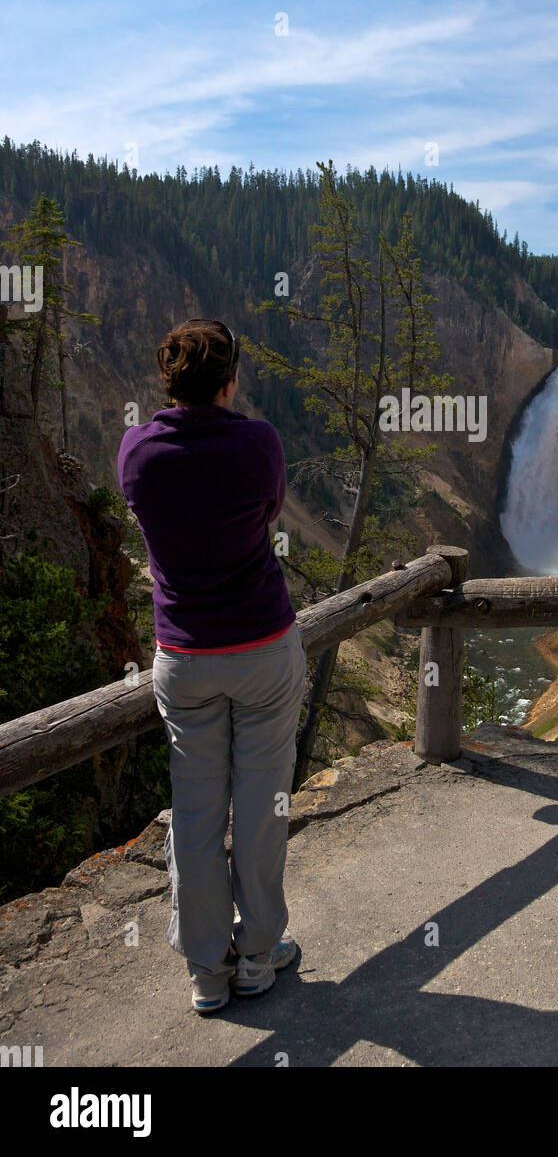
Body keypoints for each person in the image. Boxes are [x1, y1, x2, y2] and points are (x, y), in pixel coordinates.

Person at [117, 318, 307, 1014]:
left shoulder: (137, 452)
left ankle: (205, 970)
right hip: (261, 646)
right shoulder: (258, 443)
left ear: (166, 383)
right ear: (230, 382)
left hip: (185, 657)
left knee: (195, 813)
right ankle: (258, 954)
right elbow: (267, 510)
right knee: (260, 808)